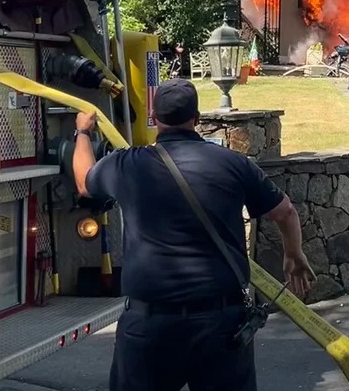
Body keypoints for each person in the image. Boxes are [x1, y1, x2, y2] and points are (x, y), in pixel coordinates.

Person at [72, 78, 315, 391]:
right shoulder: (234, 164)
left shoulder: (127, 165)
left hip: (150, 325)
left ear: (154, 118)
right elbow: (285, 212)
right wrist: (293, 255)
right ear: (197, 119)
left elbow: (83, 182)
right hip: (222, 324)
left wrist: (82, 132)